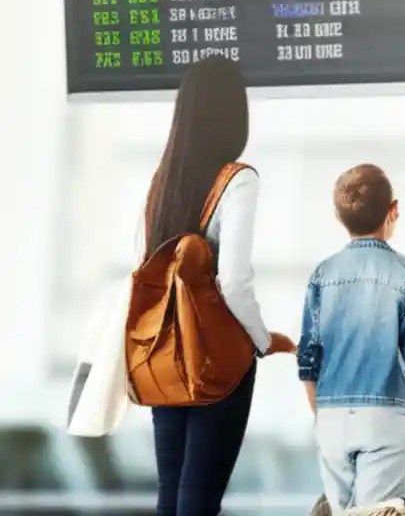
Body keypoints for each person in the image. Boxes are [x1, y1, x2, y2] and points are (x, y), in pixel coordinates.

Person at [145, 56, 295, 516]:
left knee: (171, 492)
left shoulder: (163, 181)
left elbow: (148, 266)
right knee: (200, 499)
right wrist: (265, 341)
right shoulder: (238, 179)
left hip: (162, 356)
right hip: (216, 361)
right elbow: (233, 282)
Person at [298, 164, 405, 513]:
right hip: (385, 412)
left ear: (338, 216)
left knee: (340, 511)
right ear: (393, 211)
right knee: (378, 512)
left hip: (331, 413)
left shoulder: (322, 274)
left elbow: (308, 357)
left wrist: (322, 412)